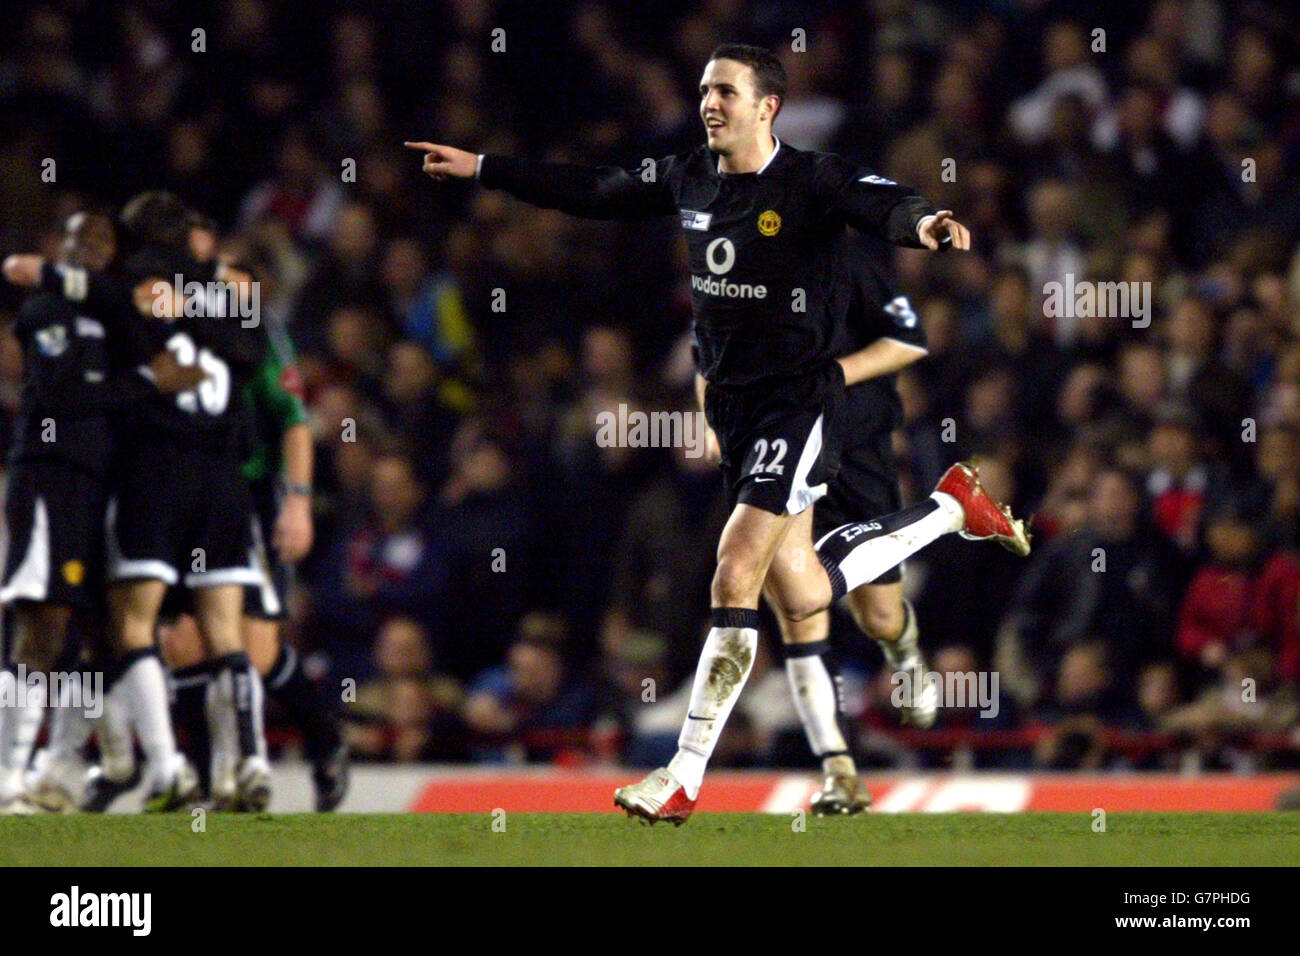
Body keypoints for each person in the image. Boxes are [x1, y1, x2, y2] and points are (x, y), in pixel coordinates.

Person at [408, 43, 1029, 824]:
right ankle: (949, 508)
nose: (710, 103)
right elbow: (595, 190)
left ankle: (682, 775)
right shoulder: (690, 176)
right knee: (803, 593)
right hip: (736, 414)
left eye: (727, 91)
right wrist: (484, 168)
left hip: (798, 406)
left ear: (768, 106)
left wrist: (925, 221)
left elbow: (881, 200)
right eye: (705, 89)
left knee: (733, 573)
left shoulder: (810, 180)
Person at [0, 211, 205, 813]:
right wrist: (147, 380)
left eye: (100, 240)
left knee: (86, 636)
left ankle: (64, 767)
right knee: (40, 625)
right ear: (61, 247)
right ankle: (8, 776)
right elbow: (63, 396)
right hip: (48, 473)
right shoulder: (47, 310)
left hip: (91, 486)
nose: (87, 246)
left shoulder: (106, 313)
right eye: (77, 238)